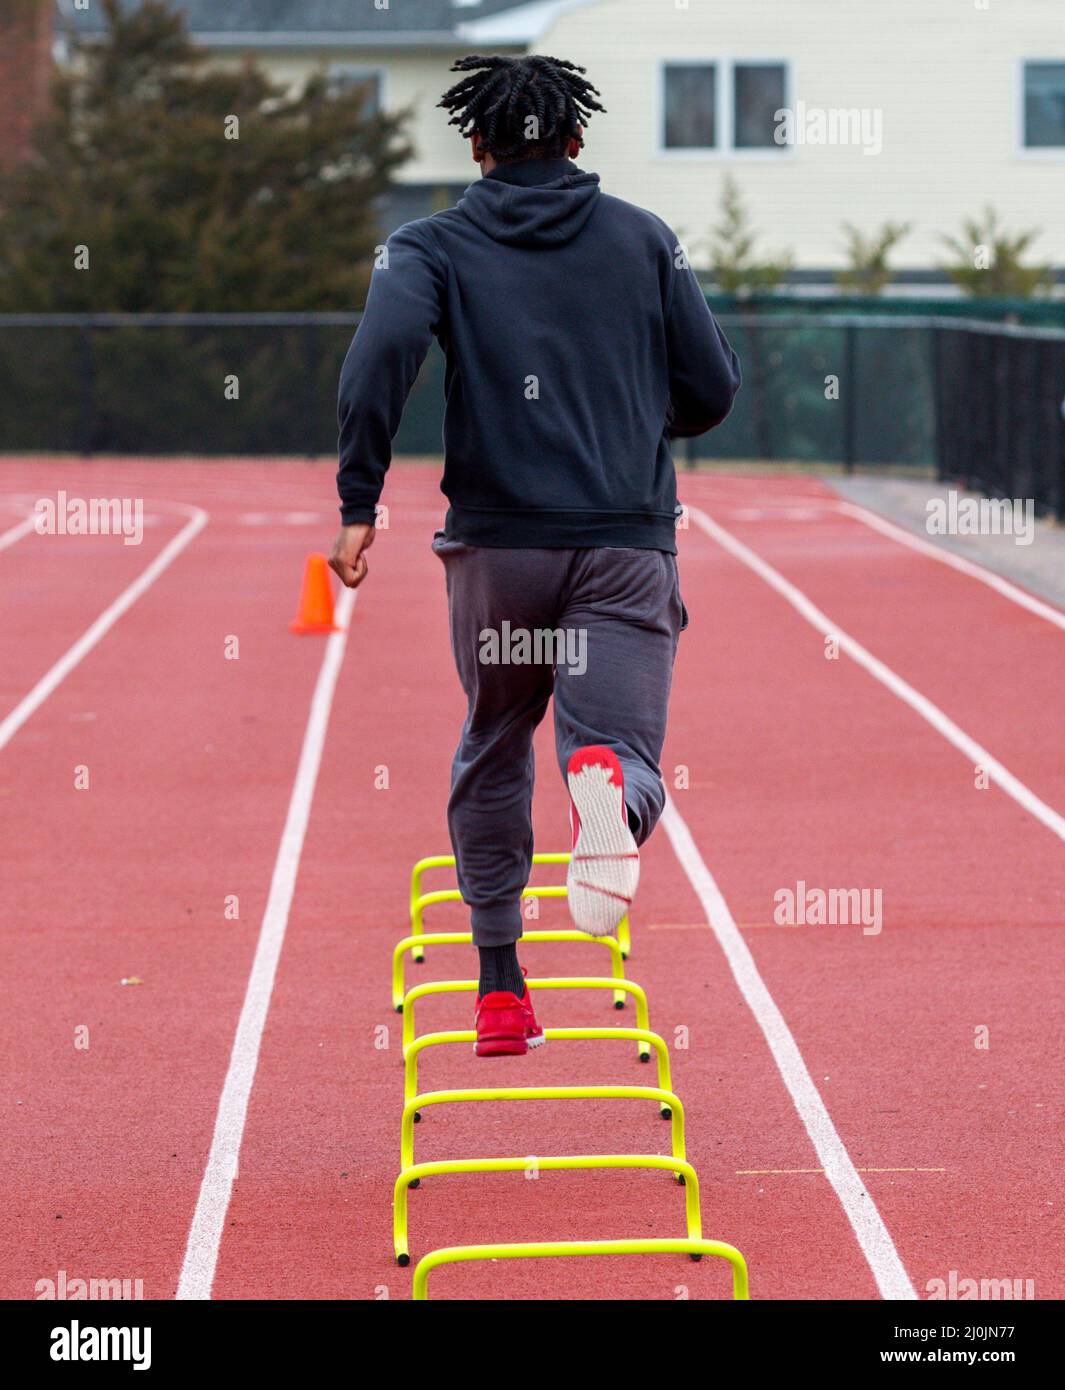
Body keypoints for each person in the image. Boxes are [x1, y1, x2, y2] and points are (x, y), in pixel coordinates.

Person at [329, 54, 740, 1057]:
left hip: (500, 548)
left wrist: (359, 497)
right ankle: (607, 790)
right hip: (622, 538)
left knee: (497, 737)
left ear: (475, 143)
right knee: (620, 749)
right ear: (576, 137)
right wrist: (642, 416)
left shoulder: (430, 245)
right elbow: (713, 387)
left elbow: (382, 350)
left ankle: (502, 987)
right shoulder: (644, 239)